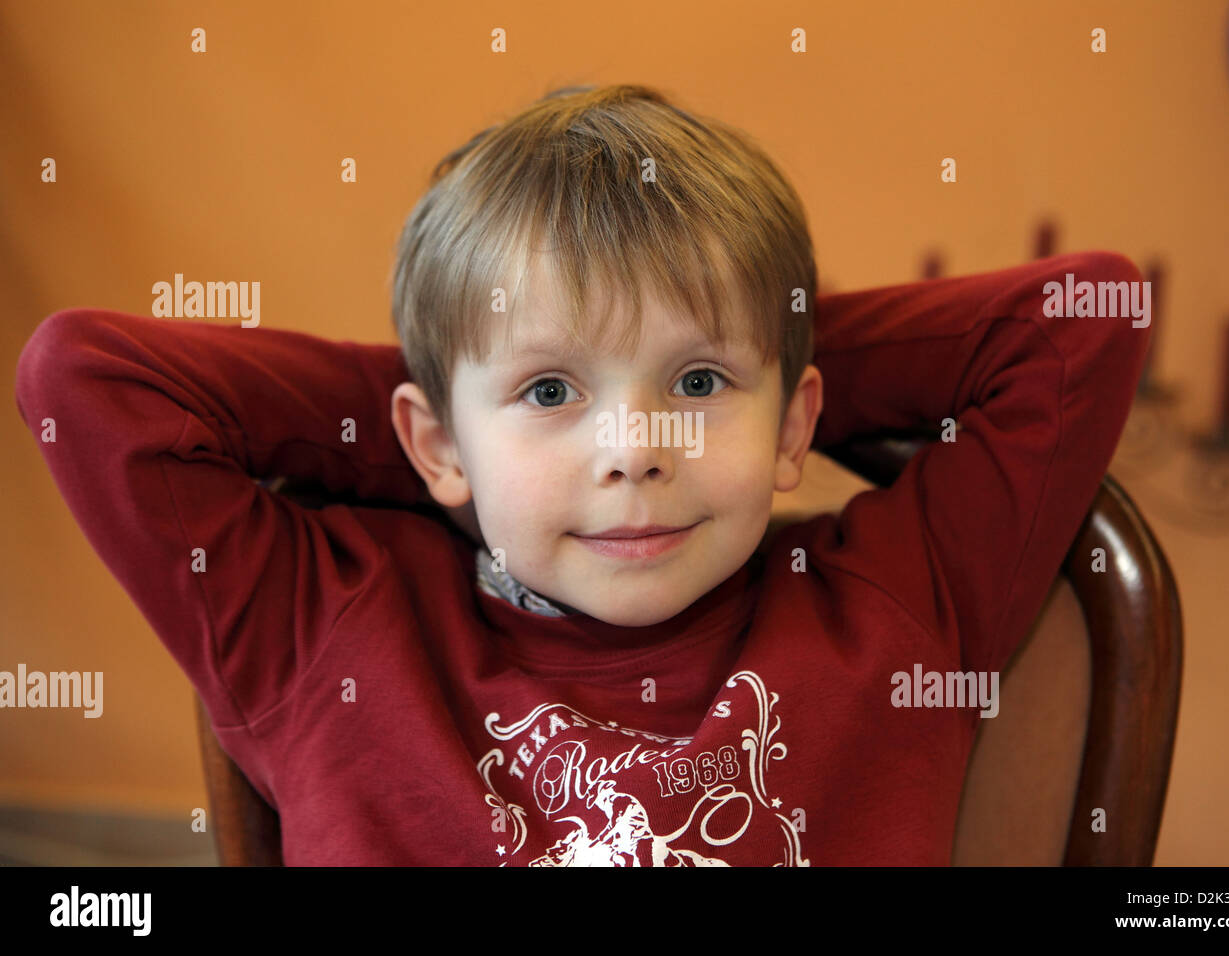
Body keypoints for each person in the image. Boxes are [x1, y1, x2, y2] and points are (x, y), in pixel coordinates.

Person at [15, 84, 1151, 865]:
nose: (634, 448)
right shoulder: (330, 625)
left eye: (697, 384)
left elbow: (1080, 318)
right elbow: (86, 376)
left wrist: (765, 344)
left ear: (797, 418)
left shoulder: (894, 601)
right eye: (552, 394)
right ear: (432, 443)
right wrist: (462, 384)